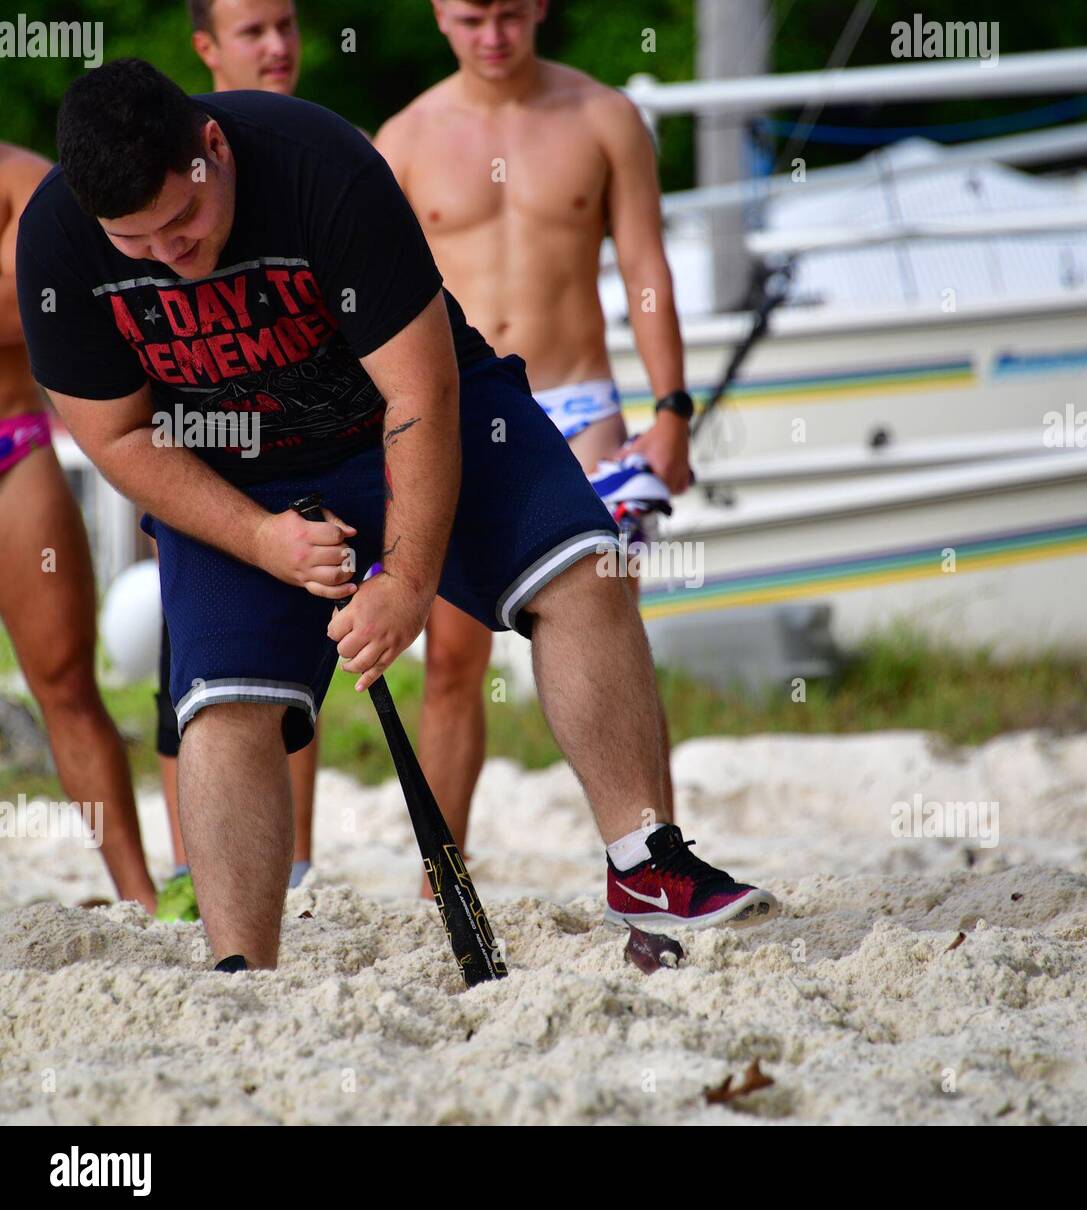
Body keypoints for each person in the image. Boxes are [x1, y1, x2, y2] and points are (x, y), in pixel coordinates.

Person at [18, 59, 777, 971]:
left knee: (582, 568)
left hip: (410, 411)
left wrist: (409, 581)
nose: (170, 255)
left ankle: (646, 863)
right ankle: (240, 972)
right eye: (136, 243)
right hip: (227, 464)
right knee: (222, 706)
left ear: (210, 149)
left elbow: (420, 393)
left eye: (182, 221)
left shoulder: (321, 166)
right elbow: (117, 436)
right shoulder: (57, 240)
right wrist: (259, 536)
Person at [375, 0, 692, 884]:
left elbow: (646, 268)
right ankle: (443, 881)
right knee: (452, 662)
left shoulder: (603, 116)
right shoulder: (403, 140)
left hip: (582, 404)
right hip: (463, 408)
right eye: (472, 16)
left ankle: (661, 863)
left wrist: (672, 408)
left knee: (614, 638)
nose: (493, 35)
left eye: (511, 13)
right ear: (439, 12)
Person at [152, 0, 311, 921]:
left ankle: (300, 862)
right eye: (254, 31)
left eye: (286, 24)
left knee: (311, 664)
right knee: (197, 668)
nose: (278, 46)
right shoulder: (157, 167)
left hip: (320, 440)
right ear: (207, 47)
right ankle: (194, 872)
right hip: (204, 451)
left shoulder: (324, 151)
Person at [0, 140, 155, 912]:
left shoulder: (25, 180)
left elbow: (42, 302)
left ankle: (139, 897)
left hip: (11, 440)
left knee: (65, 680)